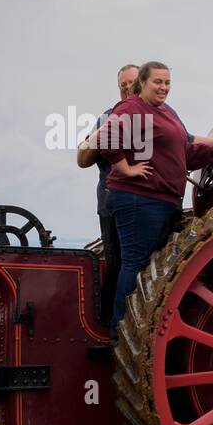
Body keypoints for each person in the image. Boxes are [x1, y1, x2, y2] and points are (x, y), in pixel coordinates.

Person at [101, 62, 213, 337]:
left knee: (150, 268)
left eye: (167, 83)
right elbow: (107, 138)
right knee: (135, 264)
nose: (164, 88)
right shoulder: (132, 108)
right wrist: (126, 168)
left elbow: (183, 153)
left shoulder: (165, 112)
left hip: (164, 200)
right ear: (143, 83)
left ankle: (140, 329)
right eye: (157, 82)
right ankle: (120, 332)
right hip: (140, 200)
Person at [78, 64, 138, 320]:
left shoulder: (161, 116)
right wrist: (101, 132)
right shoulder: (108, 118)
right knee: (118, 264)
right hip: (113, 203)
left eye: (132, 82)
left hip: (148, 202)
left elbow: (185, 141)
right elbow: (83, 158)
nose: (127, 87)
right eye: (123, 84)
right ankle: (111, 323)